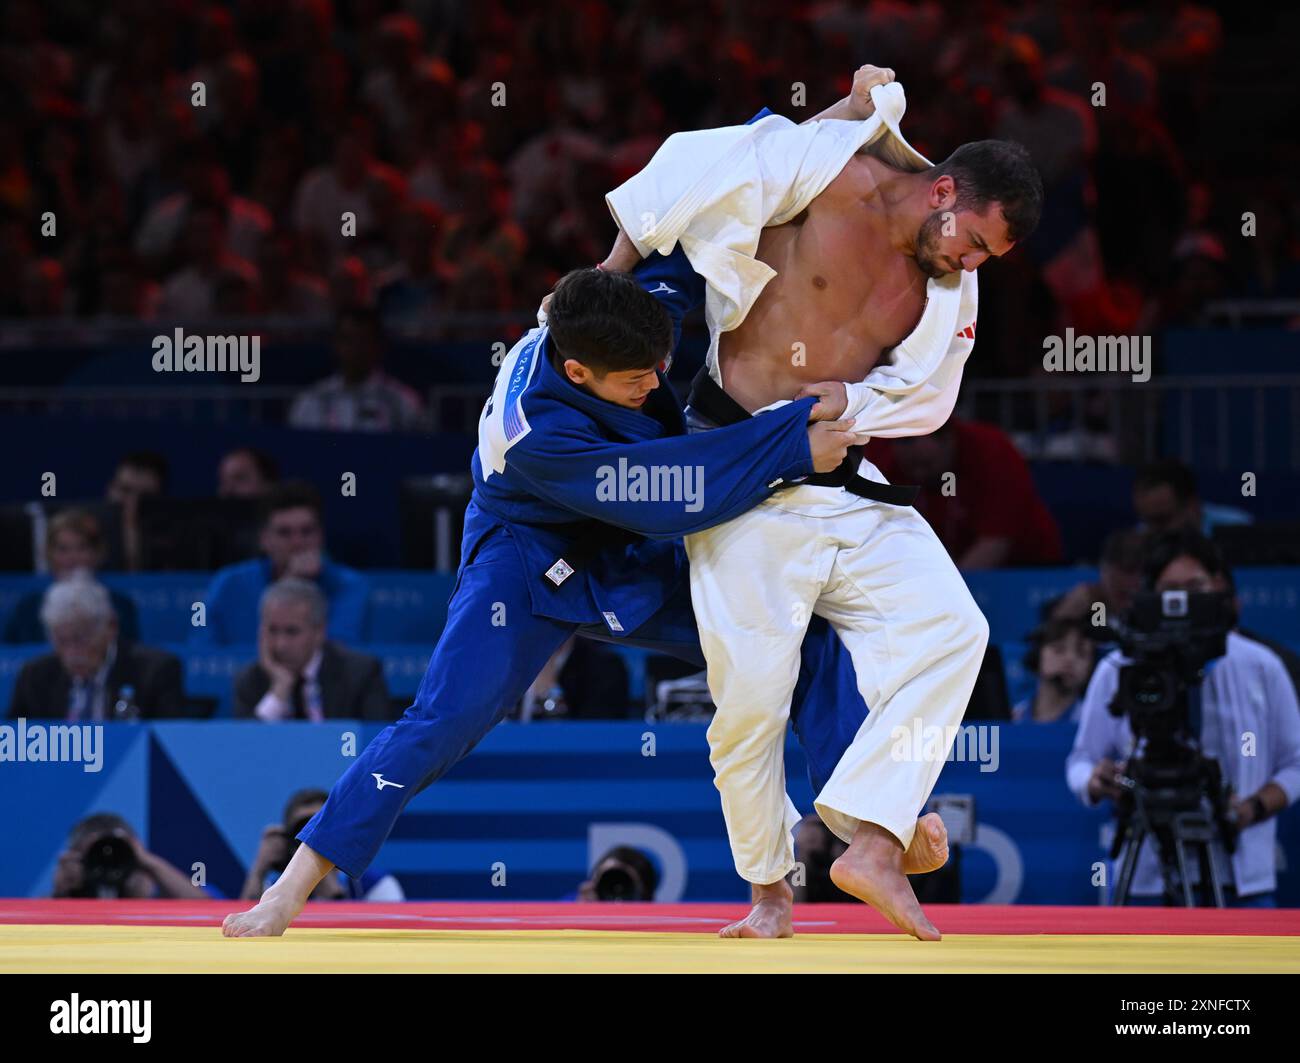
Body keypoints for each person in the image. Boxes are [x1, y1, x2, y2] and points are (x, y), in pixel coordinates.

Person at [223, 255, 942, 938]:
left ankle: (864, 834)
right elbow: (672, 488)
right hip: (526, 565)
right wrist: (788, 446)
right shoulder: (538, 434)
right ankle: (288, 890)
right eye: (637, 379)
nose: (655, 385)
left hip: (622, 538)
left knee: (795, 634)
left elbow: (691, 215)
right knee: (439, 721)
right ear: (576, 372)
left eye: (659, 368)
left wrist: (817, 136)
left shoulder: (610, 319)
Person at [598, 65, 1040, 937]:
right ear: (943, 189)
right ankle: (768, 892)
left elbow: (930, 394)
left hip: (846, 477)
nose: (972, 262)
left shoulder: (951, 283)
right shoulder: (828, 174)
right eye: (974, 241)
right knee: (751, 703)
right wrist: (611, 273)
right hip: (742, 467)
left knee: (955, 628)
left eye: (987, 256)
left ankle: (872, 837)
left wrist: (854, 404)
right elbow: (706, 164)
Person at [1066, 530, 1300, 905]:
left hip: (1242, 879)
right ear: (1151, 595)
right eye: (1171, 589)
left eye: (1196, 587)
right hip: (1145, 879)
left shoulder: (1261, 666)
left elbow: (1295, 765)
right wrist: (1095, 781)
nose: (1184, 601)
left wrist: (1252, 807)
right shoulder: (1118, 665)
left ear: (1220, 587)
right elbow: (1080, 761)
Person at [868, 416, 1063, 568]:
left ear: (948, 439)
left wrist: (945, 592)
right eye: (903, 442)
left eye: (926, 464)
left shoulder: (992, 452)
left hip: (1023, 569)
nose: (918, 473)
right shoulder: (879, 456)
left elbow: (995, 542)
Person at [191, 481, 369, 646]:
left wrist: (293, 586)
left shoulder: (350, 585)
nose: (298, 542)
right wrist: (288, 583)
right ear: (264, 539)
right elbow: (199, 647)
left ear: (321, 536)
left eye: (307, 531)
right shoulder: (228, 582)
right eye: (284, 533)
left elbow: (338, 656)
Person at [8, 577, 184, 720]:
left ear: (111, 627)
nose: (72, 652)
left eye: (81, 639)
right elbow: (13, 748)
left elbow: (169, 741)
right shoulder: (35, 677)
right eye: (62, 641)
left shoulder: (155, 672)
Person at [233, 579, 393, 721]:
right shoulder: (250, 680)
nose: (280, 645)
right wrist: (279, 689)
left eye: (292, 632)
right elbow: (246, 748)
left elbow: (377, 743)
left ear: (319, 632)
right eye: (272, 630)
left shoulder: (361, 674)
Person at [240, 789, 404, 903]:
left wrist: (331, 889)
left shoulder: (376, 885)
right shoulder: (277, 888)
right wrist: (258, 870)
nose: (312, 838)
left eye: (320, 826)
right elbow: (247, 928)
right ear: (289, 836)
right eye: (303, 830)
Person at [3, 508, 140, 643]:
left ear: (98, 553)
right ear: (49, 554)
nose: (73, 558)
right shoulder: (27, 609)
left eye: (82, 548)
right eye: (63, 549)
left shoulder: (120, 607)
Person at [288, 307, 425, 433]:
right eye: (348, 339)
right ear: (335, 344)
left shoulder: (403, 401)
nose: (355, 349)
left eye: (363, 340)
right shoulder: (310, 401)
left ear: (378, 346)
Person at [52, 812, 210, 900]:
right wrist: (60, 893)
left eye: (118, 854)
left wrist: (150, 864)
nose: (108, 861)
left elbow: (206, 909)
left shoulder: (155, 892)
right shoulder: (66, 893)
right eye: (95, 854)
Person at [1011, 616, 1095, 724]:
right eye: (1059, 649)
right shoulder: (1013, 719)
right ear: (1037, 655)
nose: (1070, 659)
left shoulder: (1092, 723)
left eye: (1082, 653)